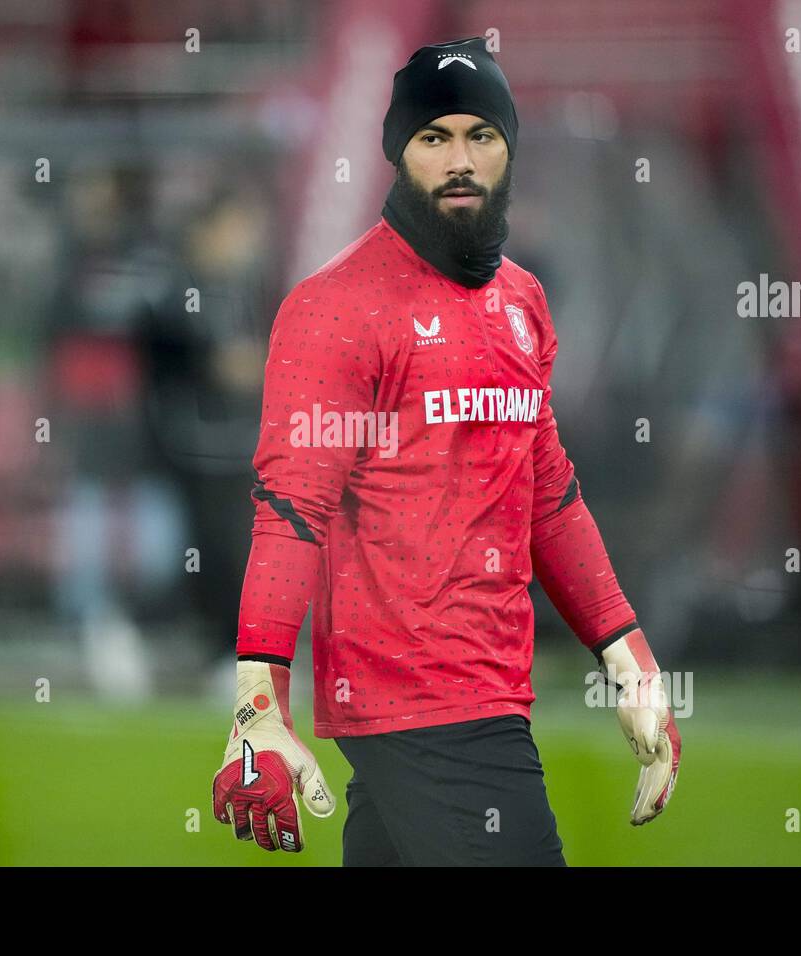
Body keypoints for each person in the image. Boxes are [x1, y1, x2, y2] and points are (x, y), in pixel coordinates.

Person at [212, 37, 681, 865]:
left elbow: (547, 492)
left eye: (481, 135)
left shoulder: (522, 300)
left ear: (508, 149)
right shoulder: (335, 308)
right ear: (397, 152)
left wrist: (626, 651)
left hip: (486, 693)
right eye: (434, 138)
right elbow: (291, 509)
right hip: (425, 704)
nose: (460, 160)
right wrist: (259, 697)